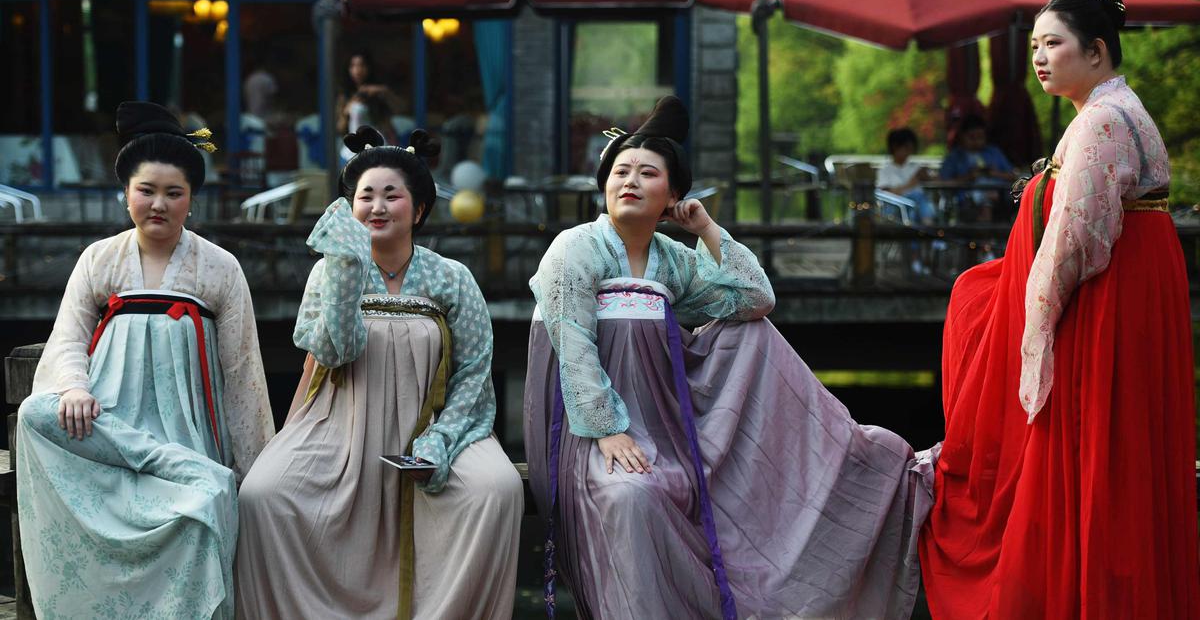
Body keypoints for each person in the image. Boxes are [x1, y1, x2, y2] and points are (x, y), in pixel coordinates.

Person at [524, 96, 934, 619]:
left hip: (660, 422)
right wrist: (607, 428)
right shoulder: (574, 246)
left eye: (648, 173)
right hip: (583, 428)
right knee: (632, 497)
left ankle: (848, 451)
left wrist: (706, 231)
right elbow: (572, 342)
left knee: (751, 335)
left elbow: (753, 300)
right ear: (604, 185)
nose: (630, 180)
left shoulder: (672, 260)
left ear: (673, 194)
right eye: (620, 171)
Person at [920, 0, 1200, 618]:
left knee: (1097, 447)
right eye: (1036, 45)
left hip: (1105, 300)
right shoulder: (1107, 112)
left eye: (1054, 44)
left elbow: (1077, 239)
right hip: (1126, 289)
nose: (1040, 58)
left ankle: (1088, 596)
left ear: (1097, 50)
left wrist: (1034, 327)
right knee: (1120, 451)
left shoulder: (1102, 122)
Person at [236, 125, 522, 620]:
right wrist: (345, 269)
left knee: (498, 490)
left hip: (435, 424)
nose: (378, 206)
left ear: (420, 209)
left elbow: (474, 371)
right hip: (340, 420)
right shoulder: (330, 270)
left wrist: (443, 439)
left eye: (393, 195)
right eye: (365, 196)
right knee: (264, 497)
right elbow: (332, 352)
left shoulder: (452, 277)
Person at [15, 101, 275, 618]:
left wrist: (254, 469)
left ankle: (198, 478)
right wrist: (72, 387)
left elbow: (241, 371)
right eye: (146, 191)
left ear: (191, 200)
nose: (159, 204)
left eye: (173, 193)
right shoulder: (99, 259)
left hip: (188, 437)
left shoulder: (219, 268)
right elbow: (68, 336)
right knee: (32, 415)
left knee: (202, 507)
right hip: (108, 428)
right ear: (126, 194)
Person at [941, 114, 1017, 221]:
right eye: (972, 137)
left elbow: (1013, 176)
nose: (976, 141)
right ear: (962, 136)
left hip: (999, 200)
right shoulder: (954, 157)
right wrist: (968, 177)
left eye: (980, 137)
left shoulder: (994, 152)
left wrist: (994, 173)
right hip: (965, 203)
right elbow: (943, 183)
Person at [878, 127, 936, 224]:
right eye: (906, 148)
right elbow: (885, 195)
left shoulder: (914, 167)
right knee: (917, 196)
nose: (909, 151)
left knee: (918, 202)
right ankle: (929, 226)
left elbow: (935, 181)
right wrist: (910, 184)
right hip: (895, 208)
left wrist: (928, 177)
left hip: (915, 209)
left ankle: (927, 227)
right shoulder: (885, 171)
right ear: (895, 147)